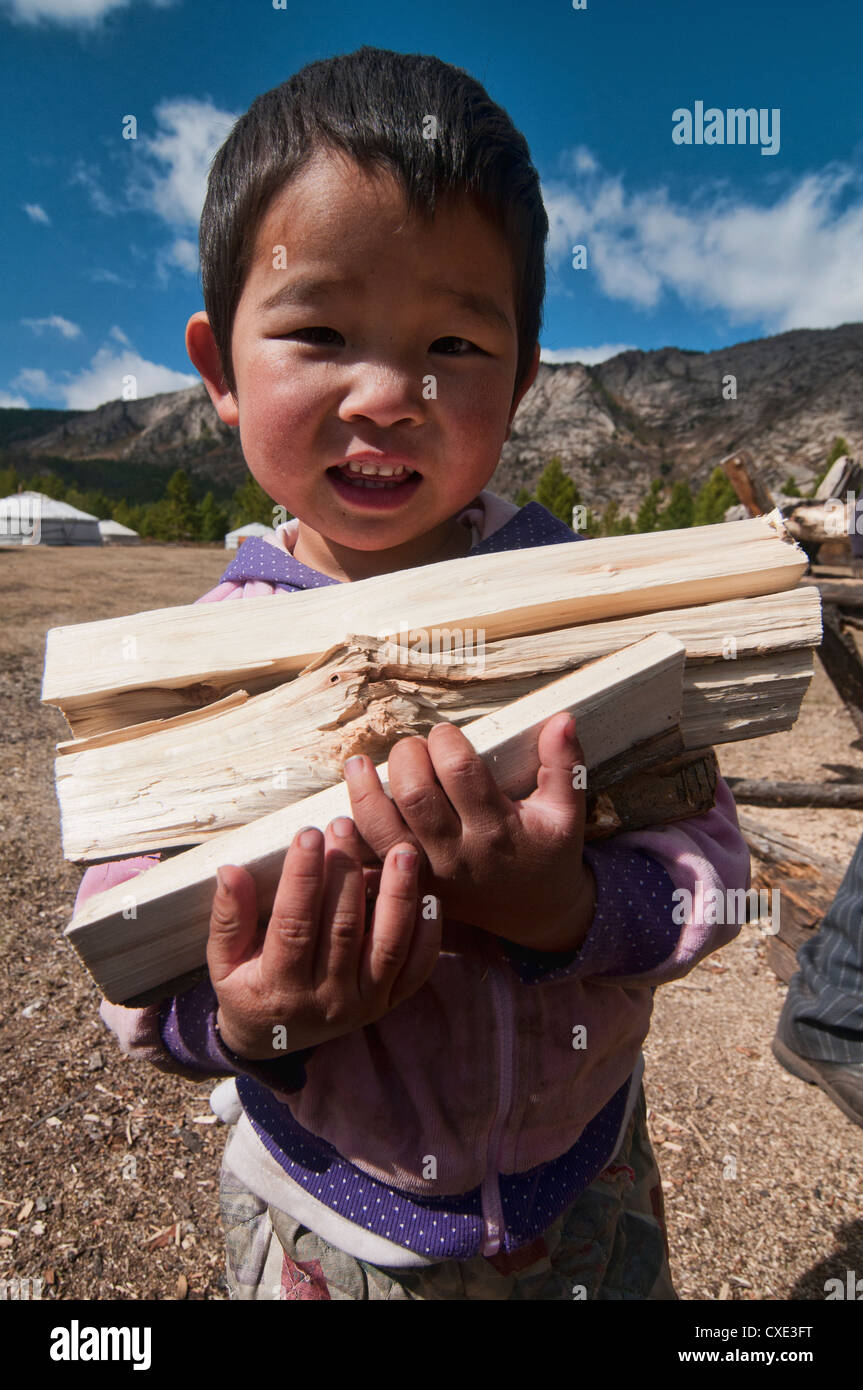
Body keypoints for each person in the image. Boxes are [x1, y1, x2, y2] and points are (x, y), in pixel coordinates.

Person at [75, 47, 750, 1301]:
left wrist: (565, 911)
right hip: (329, 1220)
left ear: (523, 374)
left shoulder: (586, 604)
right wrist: (249, 1020)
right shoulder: (189, 671)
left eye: (450, 339)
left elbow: (718, 865)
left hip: (585, 1182)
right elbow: (127, 962)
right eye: (320, 330)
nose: (388, 394)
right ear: (219, 367)